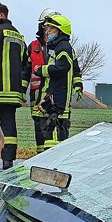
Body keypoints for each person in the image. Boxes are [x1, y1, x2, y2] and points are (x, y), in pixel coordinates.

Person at [0, 2, 29, 169]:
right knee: (9, 128)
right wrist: (21, 90)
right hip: (12, 93)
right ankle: (8, 162)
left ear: (1, 15)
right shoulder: (19, 36)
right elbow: (25, 66)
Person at [34, 14, 76, 150]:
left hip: (58, 100)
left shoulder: (63, 47)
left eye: (51, 28)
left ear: (60, 30)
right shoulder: (60, 47)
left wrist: (41, 70)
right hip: (56, 98)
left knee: (55, 139)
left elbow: (61, 68)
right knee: (50, 136)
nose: (48, 31)